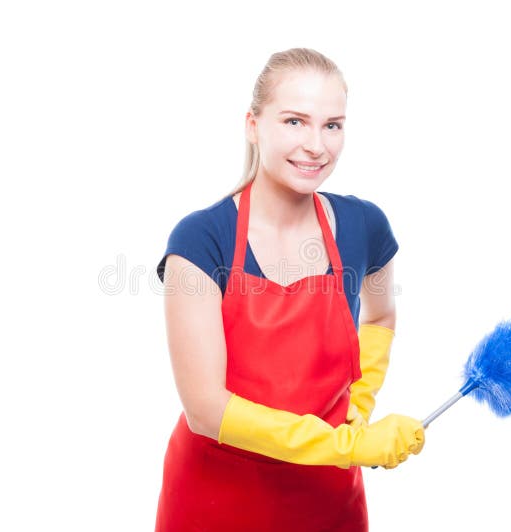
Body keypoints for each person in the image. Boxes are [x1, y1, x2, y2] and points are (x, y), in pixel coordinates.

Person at [153, 47, 426, 532]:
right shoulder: (200, 240)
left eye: (332, 125)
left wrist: (358, 408)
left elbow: (381, 317)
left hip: (327, 501)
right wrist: (346, 446)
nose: (316, 145)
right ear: (253, 125)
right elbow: (206, 410)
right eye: (295, 122)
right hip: (215, 501)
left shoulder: (363, 226)